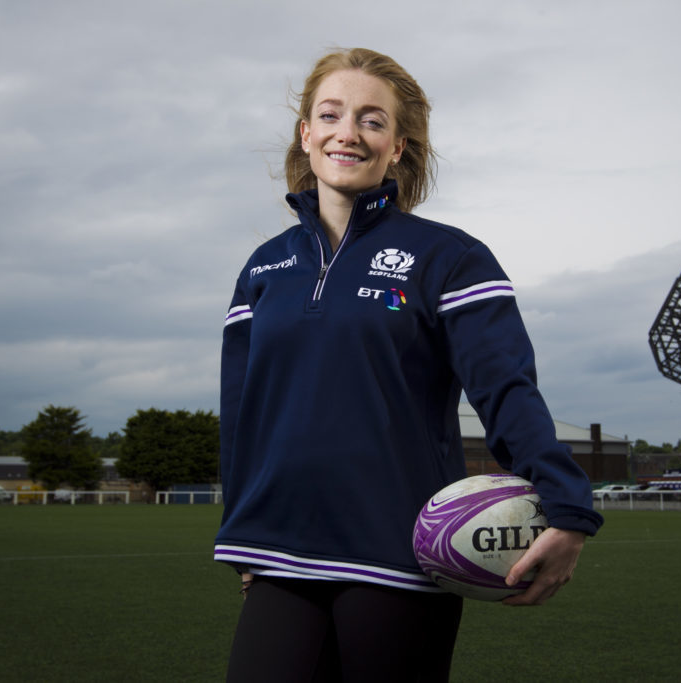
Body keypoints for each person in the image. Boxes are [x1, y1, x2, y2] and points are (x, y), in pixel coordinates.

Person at [215, 47, 604, 682]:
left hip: (398, 554)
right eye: (331, 114)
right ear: (306, 134)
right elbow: (242, 414)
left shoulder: (449, 258)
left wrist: (568, 508)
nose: (349, 132)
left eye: (372, 119)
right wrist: (242, 526)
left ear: (397, 146)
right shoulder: (263, 268)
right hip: (279, 552)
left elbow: (505, 390)